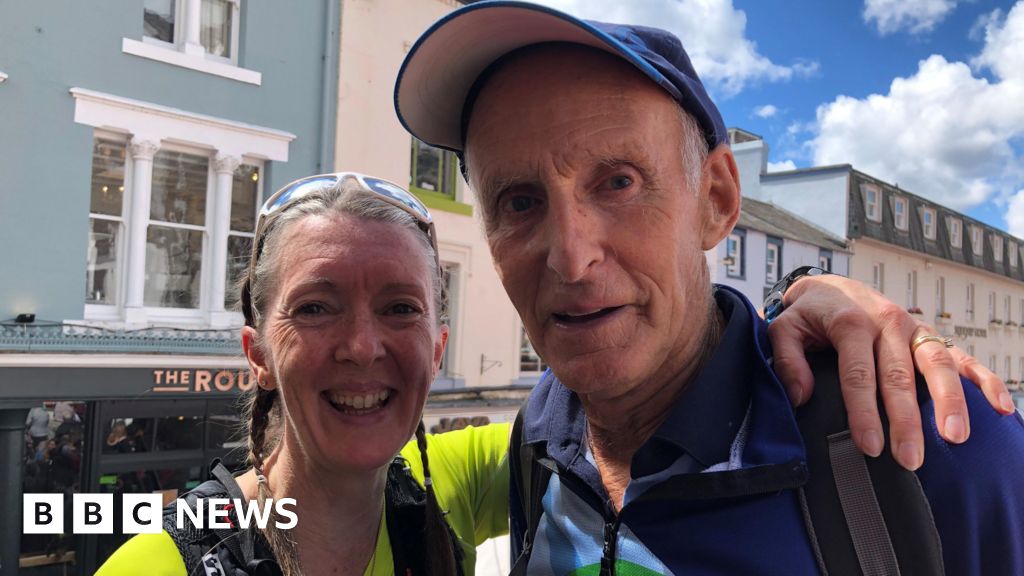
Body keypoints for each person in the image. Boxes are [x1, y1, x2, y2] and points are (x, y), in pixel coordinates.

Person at [394, 2, 1024, 574]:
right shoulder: (541, 436)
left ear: (717, 199)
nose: (571, 258)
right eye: (520, 200)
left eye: (618, 182)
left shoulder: (931, 444)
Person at [97, 174, 510, 576]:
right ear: (259, 355)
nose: (362, 348)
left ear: (437, 350)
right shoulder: (157, 565)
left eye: (401, 308)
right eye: (314, 308)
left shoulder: (452, 482)